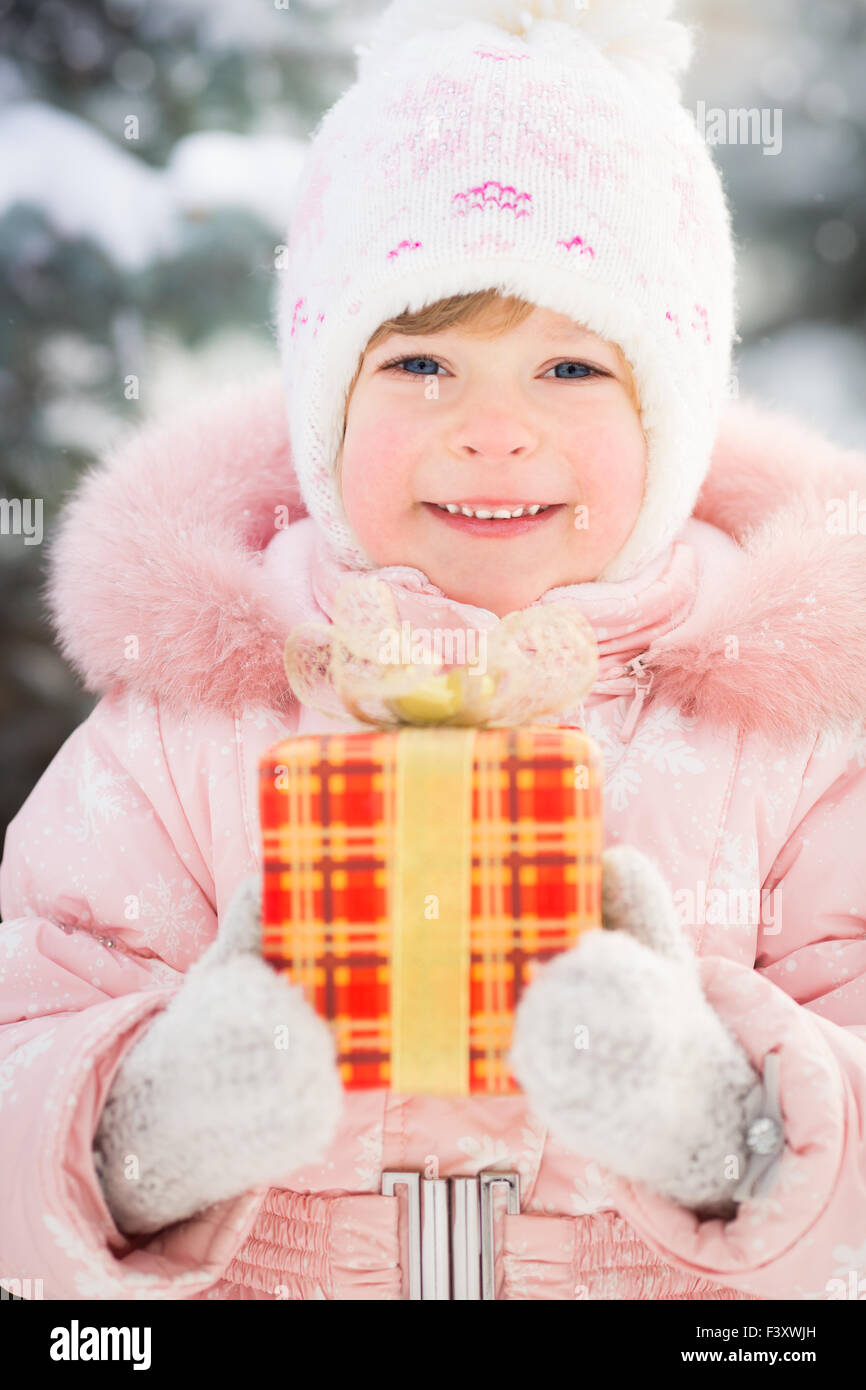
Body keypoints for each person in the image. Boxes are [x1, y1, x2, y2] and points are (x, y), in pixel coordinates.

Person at [2, 0, 865, 1301]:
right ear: (322, 402)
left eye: (572, 369)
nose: (491, 429)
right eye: (418, 362)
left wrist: (723, 1125)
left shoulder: (785, 743)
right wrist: (149, 1132)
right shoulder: (188, 729)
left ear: (676, 415)